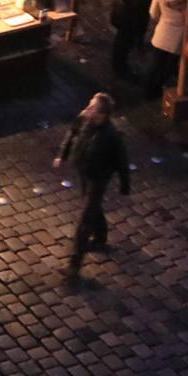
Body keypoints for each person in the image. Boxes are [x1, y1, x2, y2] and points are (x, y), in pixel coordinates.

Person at [55, 92, 130, 274]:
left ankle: (75, 264)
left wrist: (124, 183)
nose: (87, 108)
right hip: (85, 170)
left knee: (85, 220)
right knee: (93, 206)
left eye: (92, 107)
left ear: (102, 115)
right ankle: (101, 236)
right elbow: (72, 133)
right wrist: (62, 155)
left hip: (99, 177)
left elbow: (122, 160)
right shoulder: (84, 119)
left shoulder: (111, 136)